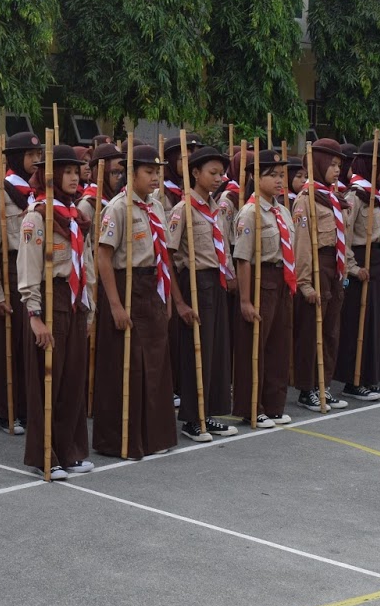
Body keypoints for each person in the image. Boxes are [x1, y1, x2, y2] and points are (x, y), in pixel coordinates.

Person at [91, 144, 176, 460]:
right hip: (126, 285)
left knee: (155, 364)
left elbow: (162, 254)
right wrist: (114, 304)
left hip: (150, 285)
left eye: (157, 172)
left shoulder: (156, 206)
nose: (155, 177)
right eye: (149, 172)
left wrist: (164, 295)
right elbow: (103, 256)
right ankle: (121, 440)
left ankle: (153, 436)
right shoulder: (117, 208)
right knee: (128, 366)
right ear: (132, 173)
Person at [19, 145, 94, 478]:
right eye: (67, 172)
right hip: (51, 300)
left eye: (76, 171)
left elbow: (85, 262)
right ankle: (44, 454)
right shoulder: (38, 216)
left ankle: (69, 450)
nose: (74, 177)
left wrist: (89, 306)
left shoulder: (76, 215)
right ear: (49, 176)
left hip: (75, 301)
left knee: (73, 380)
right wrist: (34, 314)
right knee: (49, 380)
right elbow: (29, 267)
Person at [168, 145, 237, 439]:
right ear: (195, 173)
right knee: (197, 350)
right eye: (212, 172)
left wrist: (231, 277)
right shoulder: (183, 209)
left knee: (216, 352)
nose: (219, 178)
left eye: (221, 173)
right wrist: (180, 302)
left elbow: (224, 247)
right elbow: (168, 256)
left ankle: (209, 412)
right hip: (194, 282)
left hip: (216, 282)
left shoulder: (216, 208)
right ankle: (192, 418)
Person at [0, 130, 43, 434]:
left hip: (33, 271)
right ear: (17, 158)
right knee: (12, 346)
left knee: (30, 347)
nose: (35, 161)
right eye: (30, 156)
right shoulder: (1, 195)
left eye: (38, 156)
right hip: (11, 273)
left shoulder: (36, 193)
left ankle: (28, 406)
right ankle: (8, 410)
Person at [234, 149, 296, 426]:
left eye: (282, 175)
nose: (279, 181)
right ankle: (252, 407)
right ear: (254, 177)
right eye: (272, 176)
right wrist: (245, 300)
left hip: (283, 280)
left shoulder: (282, 210)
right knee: (255, 347)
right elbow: (243, 259)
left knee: (279, 346)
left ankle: (273, 404)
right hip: (263, 280)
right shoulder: (250, 213)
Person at [333, 141, 380, 403]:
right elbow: (344, 236)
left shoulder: (376, 194)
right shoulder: (355, 195)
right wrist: (352, 267)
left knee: (375, 323)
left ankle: (370, 377)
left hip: (377, 258)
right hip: (361, 260)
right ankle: (353, 380)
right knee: (358, 323)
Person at [292, 138, 350, 412]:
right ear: (318, 163)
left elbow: (342, 238)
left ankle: (323, 384)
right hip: (316, 267)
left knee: (330, 331)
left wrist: (345, 272)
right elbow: (301, 245)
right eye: (332, 164)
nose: (337, 170)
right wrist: (304, 283)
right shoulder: (306, 200)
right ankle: (307, 388)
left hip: (334, 270)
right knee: (311, 331)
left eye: (340, 165)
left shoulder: (332, 197)